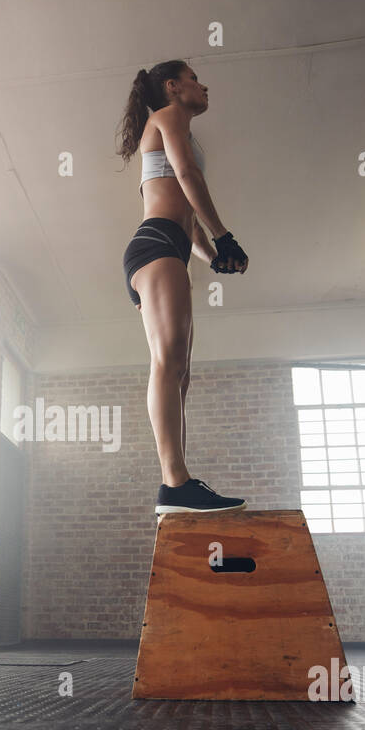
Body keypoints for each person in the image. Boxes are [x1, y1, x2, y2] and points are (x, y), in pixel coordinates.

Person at [116, 60, 251, 514]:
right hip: (154, 244)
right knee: (168, 362)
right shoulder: (168, 116)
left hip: (169, 245)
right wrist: (225, 235)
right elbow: (188, 179)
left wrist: (215, 256)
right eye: (194, 78)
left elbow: (187, 216)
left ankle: (180, 482)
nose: (203, 84)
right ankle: (174, 485)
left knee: (181, 371)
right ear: (172, 87)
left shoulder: (179, 129)